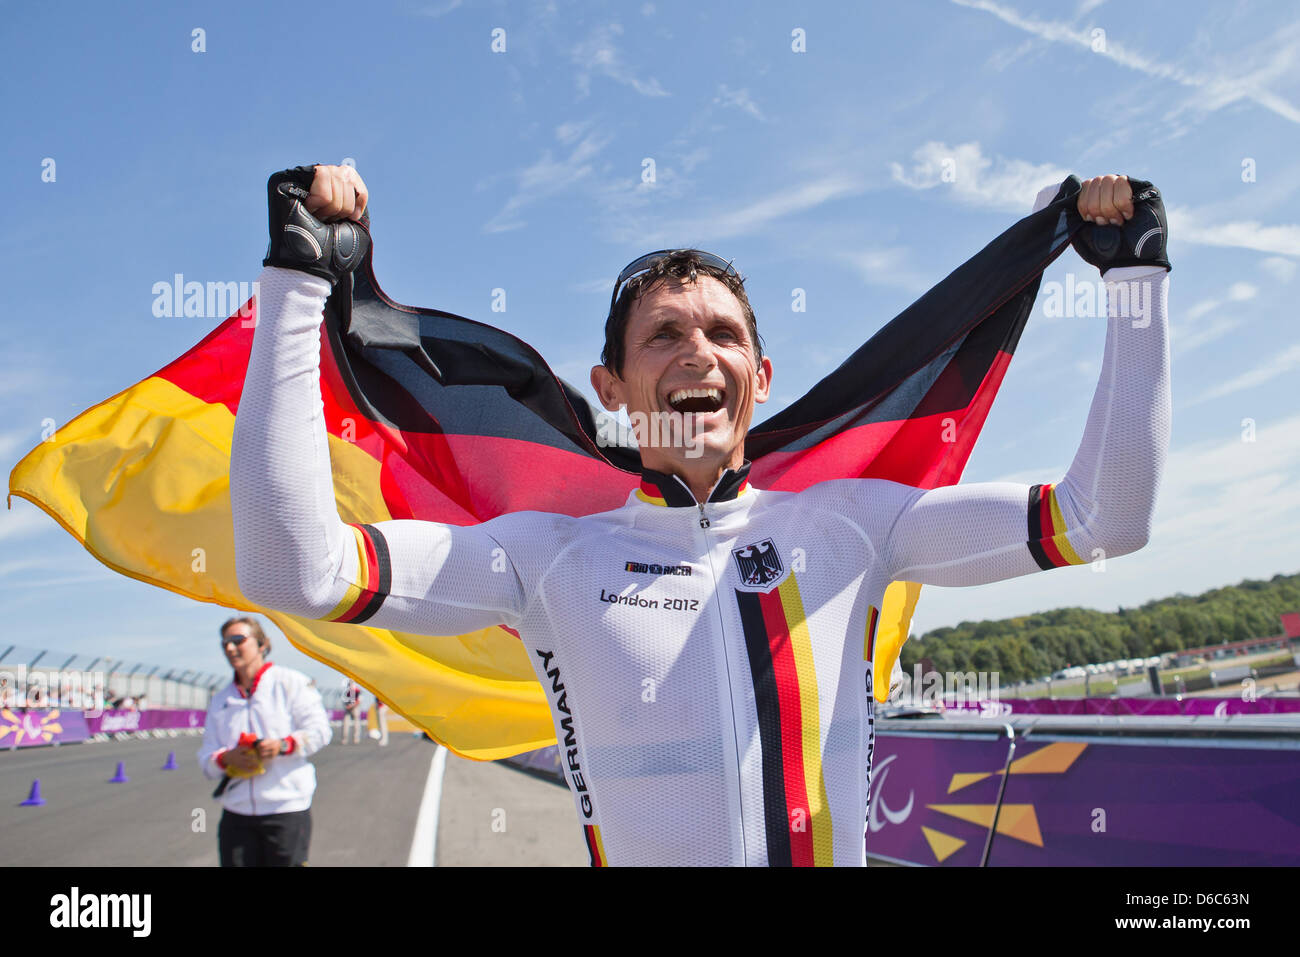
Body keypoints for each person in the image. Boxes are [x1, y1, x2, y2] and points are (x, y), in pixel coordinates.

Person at [231, 165, 1170, 866]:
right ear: (611, 385)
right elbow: (295, 569)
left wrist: (1135, 288)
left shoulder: (852, 527)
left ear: (760, 379)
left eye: (724, 334)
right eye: (664, 335)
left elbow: (1102, 518)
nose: (698, 354)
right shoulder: (546, 558)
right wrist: (295, 285)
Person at [197, 616, 331, 866]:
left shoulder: (292, 683)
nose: (229, 648)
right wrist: (225, 759)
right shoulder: (220, 699)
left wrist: (283, 745)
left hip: (286, 810)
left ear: (262, 644)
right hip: (236, 813)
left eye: (238, 640)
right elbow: (206, 758)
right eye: (224, 643)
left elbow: (320, 731)